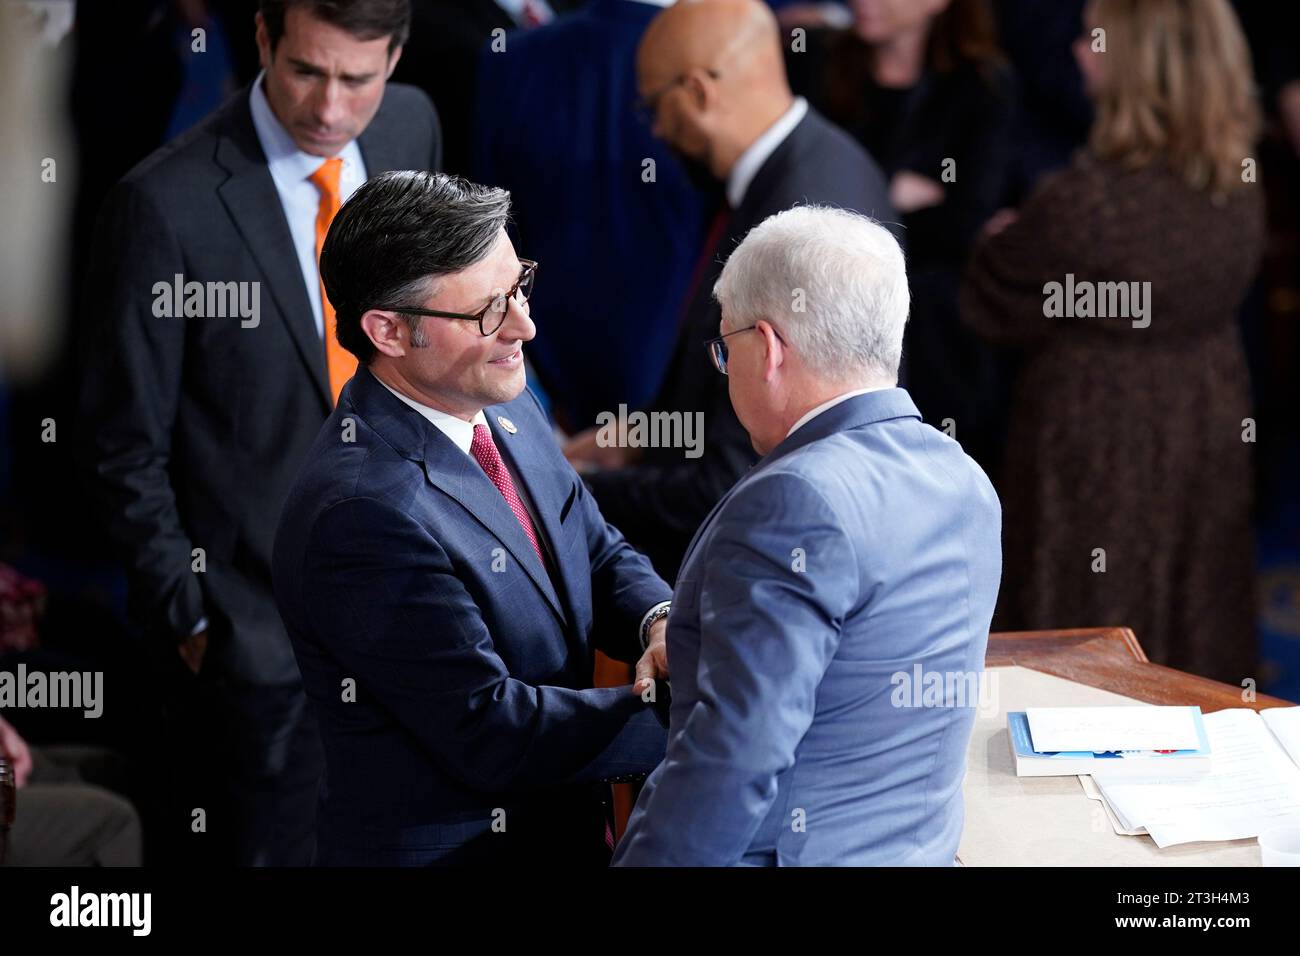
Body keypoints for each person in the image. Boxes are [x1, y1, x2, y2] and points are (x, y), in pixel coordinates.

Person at [76, 0, 441, 865]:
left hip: (412, 614)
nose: (329, 107)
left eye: (358, 78)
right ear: (263, 38)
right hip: (254, 651)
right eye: (306, 70)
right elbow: (121, 445)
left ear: (394, 57)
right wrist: (195, 619)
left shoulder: (412, 127)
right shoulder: (163, 206)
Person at [272, 170, 672, 866]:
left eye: (520, 286)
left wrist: (660, 621)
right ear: (389, 331)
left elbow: (593, 547)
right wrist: (709, 711)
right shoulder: (362, 511)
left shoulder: (504, 398)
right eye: (489, 310)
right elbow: (493, 730)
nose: (525, 325)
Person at [612, 205, 1001, 866]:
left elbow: (730, 764)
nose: (723, 363)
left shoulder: (794, 500)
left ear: (766, 349)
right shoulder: (962, 475)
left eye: (724, 345)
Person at [961, 0, 1263, 683]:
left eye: (1094, 39)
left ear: (1142, 65)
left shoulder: (1087, 202)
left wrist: (1000, 239)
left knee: (1081, 637)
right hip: (1207, 415)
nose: (1076, 51)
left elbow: (991, 297)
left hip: (1095, 437)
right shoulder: (1239, 183)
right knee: (1194, 612)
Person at [565, 0, 894, 584]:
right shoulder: (815, 166)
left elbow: (738, 473)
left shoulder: (801, 213)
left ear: (697, 91)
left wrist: (567, 489)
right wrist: (642, 439)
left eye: (654, 108)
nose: (659, 130)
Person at [787, 0, 1019, 471]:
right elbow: (804, 201)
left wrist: (867, 203)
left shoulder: (982, 86)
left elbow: (964, 224)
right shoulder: (820, 60)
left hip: (934, 334)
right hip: (826, 314)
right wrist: (895, 190)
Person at [472, 0, 706, 429]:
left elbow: (493, 225)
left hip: (539, 379)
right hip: (682, 403)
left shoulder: (510, 58)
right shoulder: (713, 59)